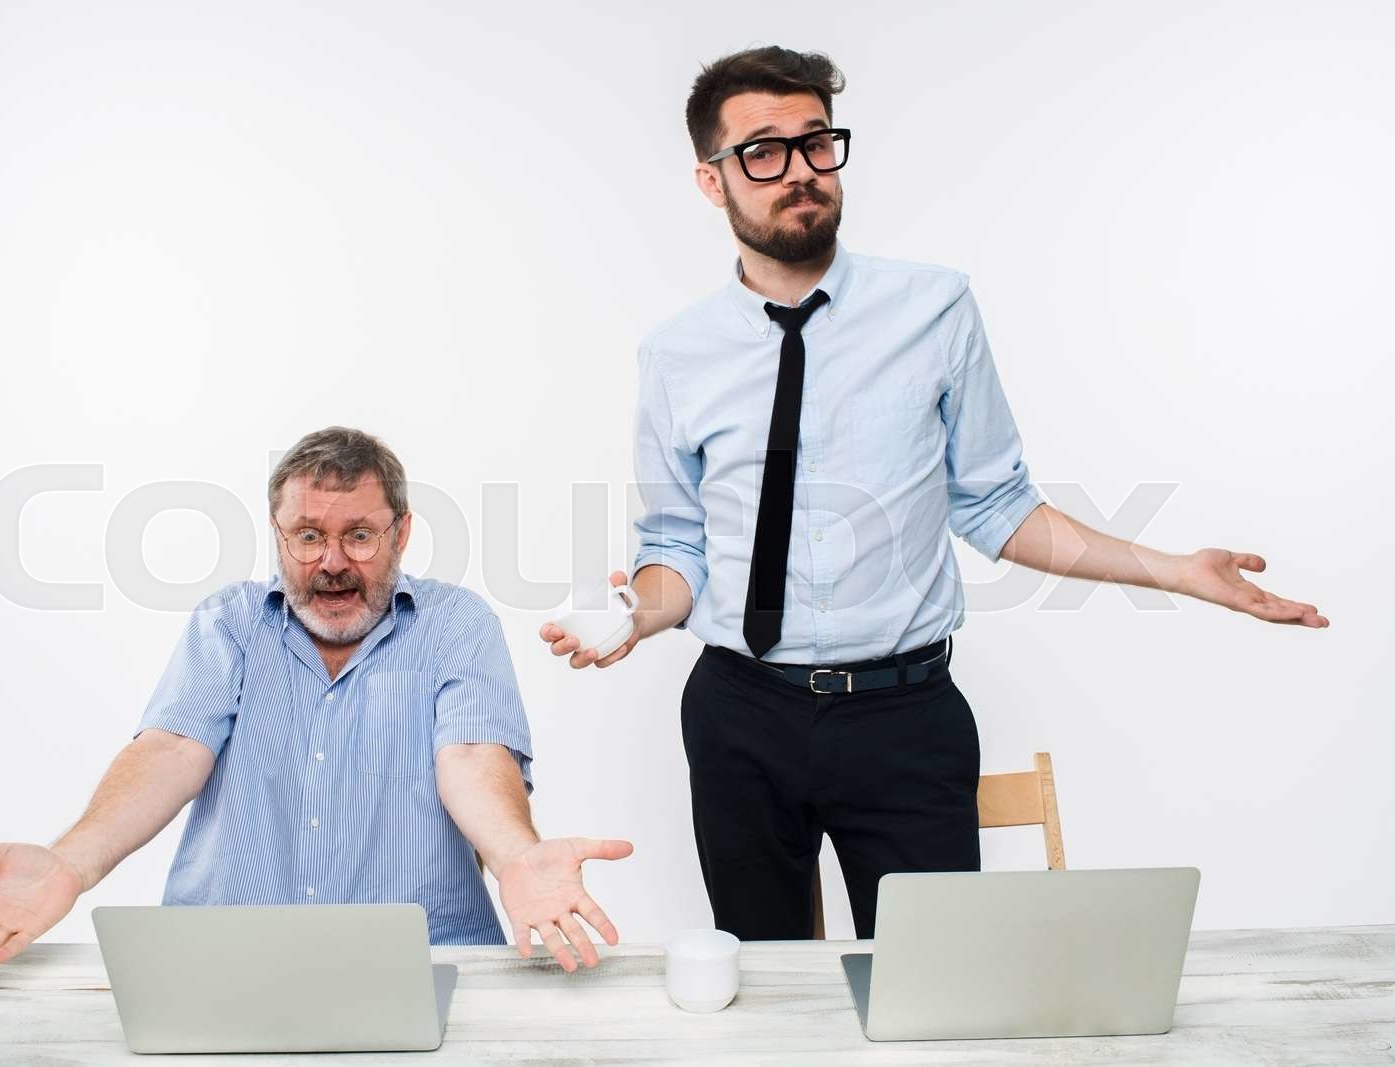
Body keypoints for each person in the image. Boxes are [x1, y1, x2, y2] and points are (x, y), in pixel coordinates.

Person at [540, 46, 1327, 940]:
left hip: (904, 716)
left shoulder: (937, 308)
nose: (800, 171)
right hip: (739, 714)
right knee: (762, 986)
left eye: (815, 143)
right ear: (711, 181)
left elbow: (998, 505)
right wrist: (632, 613)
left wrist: (1177, 571)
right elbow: (677, 545)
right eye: (764, 151)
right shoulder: (675, 354)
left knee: (932, 984)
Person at [0, 427, 631, 977]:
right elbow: (171, 750)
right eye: (308, 536)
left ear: (402, 533)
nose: (331, 561)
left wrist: (517, 858)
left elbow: (473, 754)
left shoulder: (456, 623)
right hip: (225, 963)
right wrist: (70, 862)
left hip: (429, 959)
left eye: (358, 534)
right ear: (278, 534)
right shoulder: (228, 623)